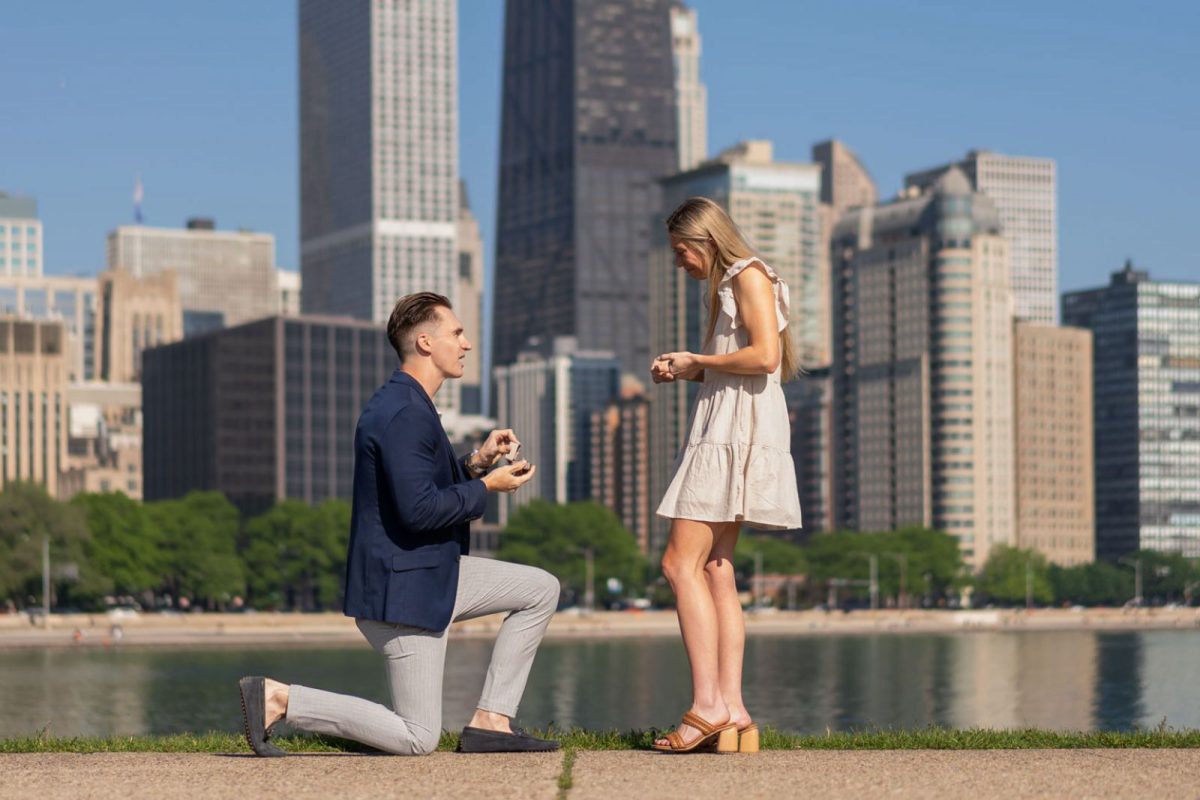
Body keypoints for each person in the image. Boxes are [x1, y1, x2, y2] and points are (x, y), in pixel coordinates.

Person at [238, 292, 561, 756]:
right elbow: (419, 511)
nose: (467, 343)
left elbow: (416, 487)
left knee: (540, 589)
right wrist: (489, 487)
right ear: (426, 342)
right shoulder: (404, 412)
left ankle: (492, 720)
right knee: (417, 737)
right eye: (457, 333)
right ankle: (280, 698)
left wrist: (475, 461)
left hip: (430, 572)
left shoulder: (408, 404)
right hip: (404, 591)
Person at [649, 197, 803, 754]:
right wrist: (689, 370)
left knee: (677, 563)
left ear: (706, 241)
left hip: (731, 435)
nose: (678, 262)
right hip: (732, 423)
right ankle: (734, 712)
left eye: (681, 251)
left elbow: (765, 358)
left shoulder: (748, 275)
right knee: (716, 569)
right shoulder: (734, 285)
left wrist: (699, 359)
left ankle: (708, 707)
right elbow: (739, 369)